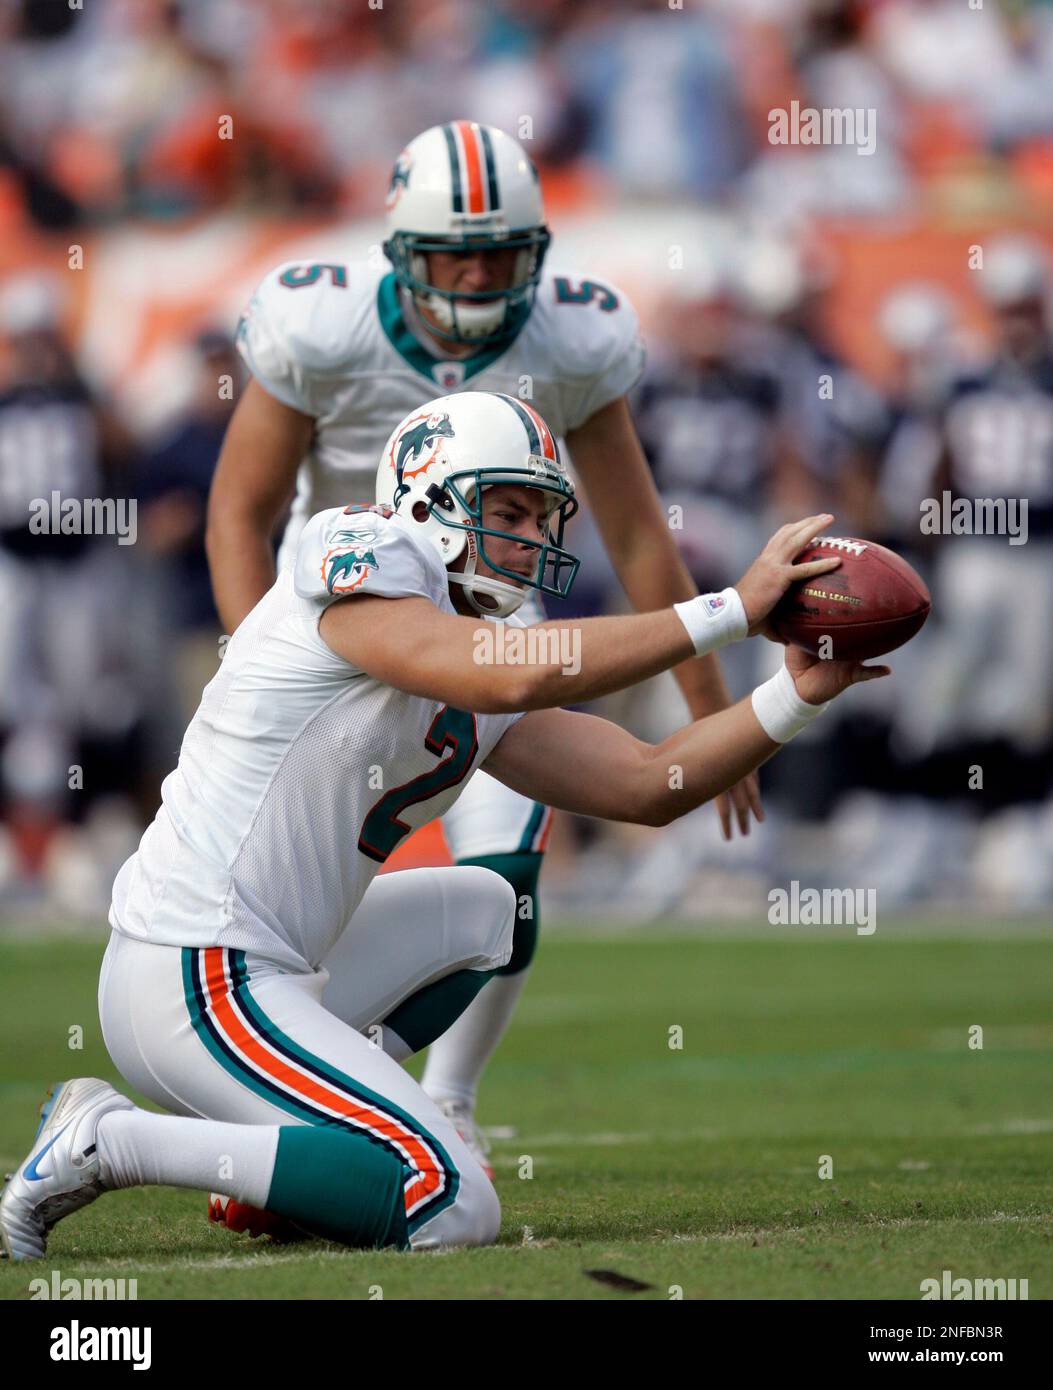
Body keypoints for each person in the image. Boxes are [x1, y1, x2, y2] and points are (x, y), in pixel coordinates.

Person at [0, 391, 888, 1260]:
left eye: (545, 518)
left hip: (278, 973)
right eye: (508, 509)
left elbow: (648, 783)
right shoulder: (360, 557)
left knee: (488, 912)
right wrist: (729, 610)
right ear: (428, 500)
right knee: (449, 1204)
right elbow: (503, 674)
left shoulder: (477, 647)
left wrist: (795, 696)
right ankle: (110, 1139)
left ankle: (297, 1148)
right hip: (197, 973)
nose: (533, 538)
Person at [206, 120, 762, 1168]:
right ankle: (285, 1086)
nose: (477, 274)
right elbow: (241, 511)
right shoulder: (321, 324)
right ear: (400, 250)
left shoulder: (572, 335)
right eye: (454, 252)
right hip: (337, 633)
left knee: (505, 879)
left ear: (539, 251)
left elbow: (638, 528)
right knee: (302, 890)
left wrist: (709, 704)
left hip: (492, 629)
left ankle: (449, 1103)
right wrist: (250, 662)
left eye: (502, 253)